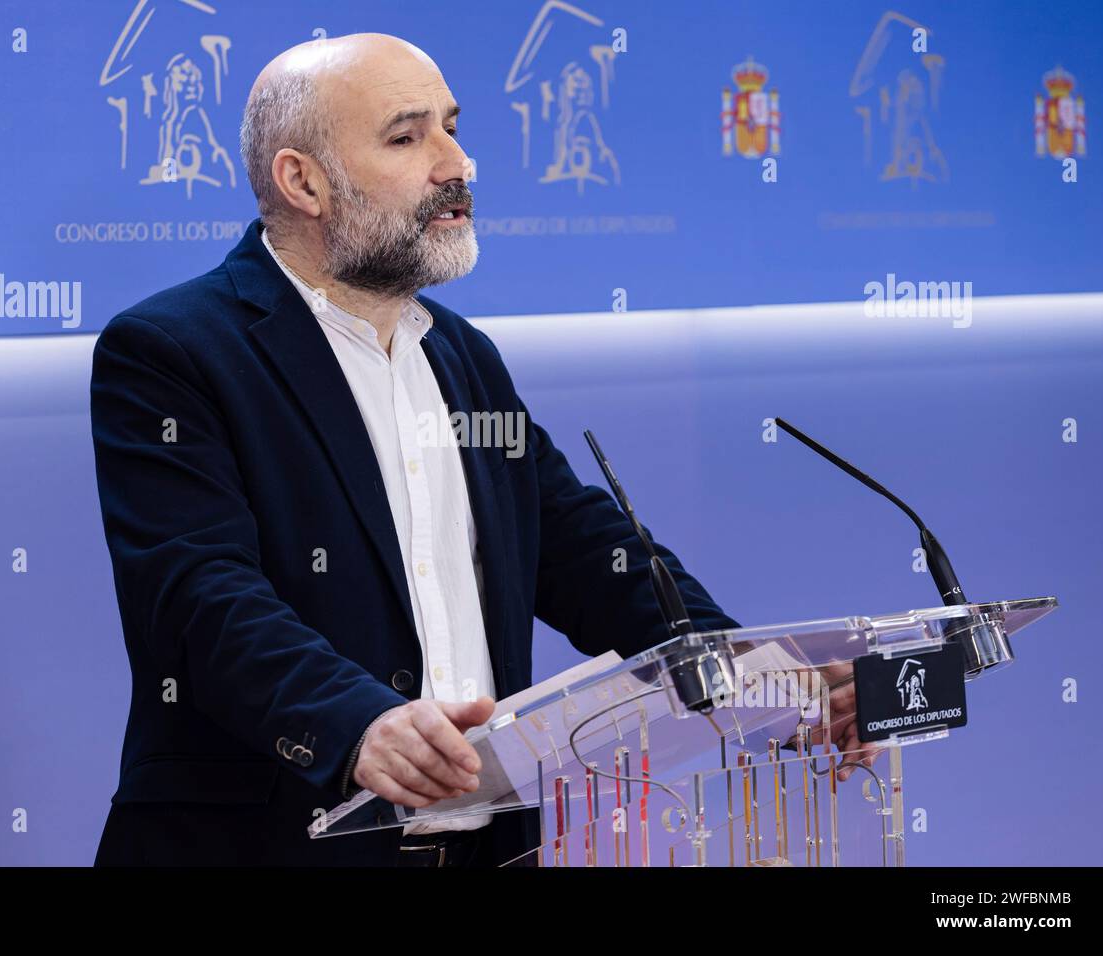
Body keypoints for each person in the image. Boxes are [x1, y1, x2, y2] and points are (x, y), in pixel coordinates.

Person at [90, 32, 859, 867]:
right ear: (302, 181)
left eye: (453, 128)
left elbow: (585, 552)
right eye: (407, 136)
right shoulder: (173, 351)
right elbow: (200, 596)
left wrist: (762, 679)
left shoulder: (463, 358)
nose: (459, 163)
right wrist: (355, 722)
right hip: (262, 845)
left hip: (487, 848)